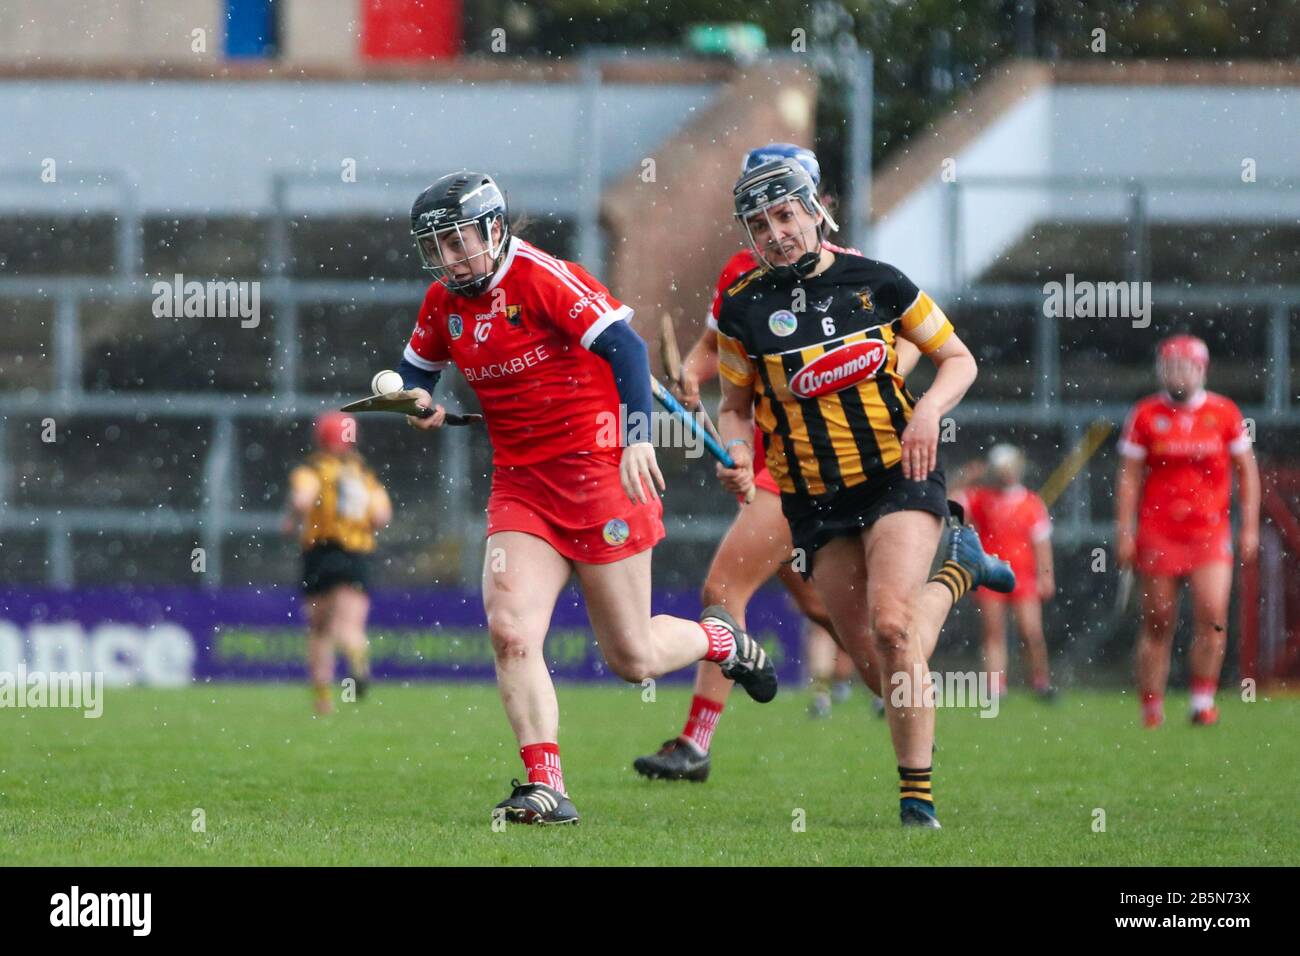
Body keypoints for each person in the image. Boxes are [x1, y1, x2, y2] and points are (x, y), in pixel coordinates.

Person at [395, 170, 778, 825]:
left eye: (459, 241)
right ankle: (546, 786)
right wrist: (416, 402)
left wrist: (636, 439)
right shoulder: (443, 303)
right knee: (511, 630)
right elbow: (415, 370)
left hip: (602, 478)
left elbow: (626, 348)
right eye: (438, 248)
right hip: (522, 489)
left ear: (494, 228)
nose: (449, 259)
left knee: (633, 659)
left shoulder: (544, 277)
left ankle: (722, 642)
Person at [633, 143, 1006, 781]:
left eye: (785, 207)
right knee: (840, 620)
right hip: (784, 464)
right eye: (759, 214)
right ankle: (912, 707)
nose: (775, 230)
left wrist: (840, 404)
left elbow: (899, 362)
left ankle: (698, 743)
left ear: (813, 205)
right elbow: (711, 357)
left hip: (819, 471)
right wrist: (695, 384)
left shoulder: (862, 277)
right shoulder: (741, 279)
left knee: (729, 592)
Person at [1116, 334, 1259, 727]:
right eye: (1170, 366)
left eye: (1185, 366)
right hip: (1158, 531)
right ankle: (1151, 707)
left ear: (1201, 370)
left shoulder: (1225, 412)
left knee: (1213, 615)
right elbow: (1128, 477)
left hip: (1209, 533)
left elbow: (1247, 472)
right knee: (1158, 620)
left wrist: (1248, 527)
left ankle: (1202, 701)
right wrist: (1124, 531)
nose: (1177, 374)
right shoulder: (1145, 415)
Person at [285, 412, 391, 716]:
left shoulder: (312, 471)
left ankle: (323, 699)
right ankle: (358, 661)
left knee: (319, 629)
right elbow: (382, 517)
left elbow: (302, 501)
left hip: (320, 553)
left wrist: (292, 520)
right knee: (351, 624)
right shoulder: (365, 476)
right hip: (356, 555)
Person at [956, 444, 1056, 701]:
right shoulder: (981, 497)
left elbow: (1041, 543)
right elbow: (952, 504)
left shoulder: (1031, 502)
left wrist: (1046, 575)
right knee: (994, 632)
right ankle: (996, 685)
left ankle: (1040, 681)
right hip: (991, 574)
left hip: (1023, 575)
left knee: (1031, 632)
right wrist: (966, 477)